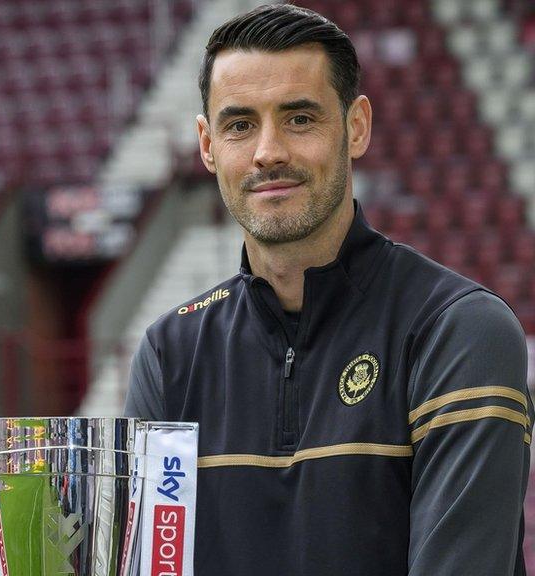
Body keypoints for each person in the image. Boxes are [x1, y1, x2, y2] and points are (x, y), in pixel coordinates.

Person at [124, 4, 531, 575]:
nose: (268, 151)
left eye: (299, 118)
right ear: (207, 143)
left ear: (356, 126)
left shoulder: (459, 331)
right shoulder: (170, 354)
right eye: (240, 124)